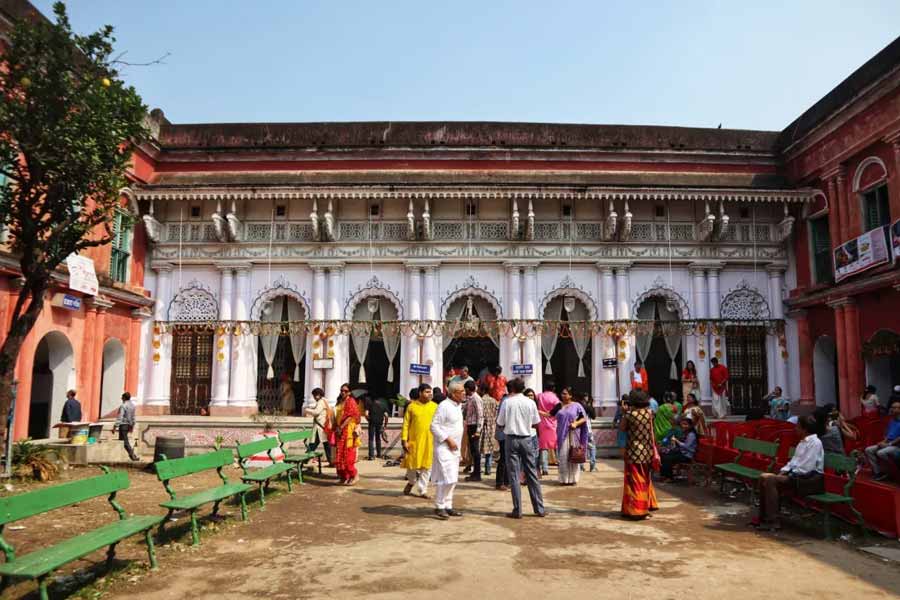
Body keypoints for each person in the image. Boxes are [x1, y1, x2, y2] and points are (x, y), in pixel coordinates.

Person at [756, 416, 824, 530]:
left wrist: (788, 475)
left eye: (798, 426)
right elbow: (793, 463)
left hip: (809, 480)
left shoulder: (815, 443)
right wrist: (783, 472)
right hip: (798, 476)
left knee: (770, 479)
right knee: (763, 477)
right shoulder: (802, 442)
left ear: (805, 429)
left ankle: (773, 521)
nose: (795, 428)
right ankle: (764, 518)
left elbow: (806, 468)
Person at [496, 377, 546, 518]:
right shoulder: (530, 402)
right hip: (527, 438)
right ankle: (539, 509)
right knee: (531, 473)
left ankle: (517, 510)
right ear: (523, 388)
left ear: (512, 389)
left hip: (511, 439)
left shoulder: (507, 402)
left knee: (514, 475)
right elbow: (536, 422)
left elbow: (500, 422)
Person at [619, 390, 659, 519]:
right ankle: (643, 507)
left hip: (633, 452)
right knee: (645, 480)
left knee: (635, 482)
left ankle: (637, 510)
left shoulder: (629, 415)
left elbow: (622, 429)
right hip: (647, 452)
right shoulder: (650, 413)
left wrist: (624, 413)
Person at [430, 380, 465, 520]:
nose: (464, 393)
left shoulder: (458, 406)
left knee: (453, 479)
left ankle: (448, 505)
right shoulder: (444, 406)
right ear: (453, 393)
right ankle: (439, 506)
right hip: (444, 447)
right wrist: (448, 439)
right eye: (461, 392)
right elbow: (434, 426)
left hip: (455, 449)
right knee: (445, 477)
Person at [401, 384, 437, 497]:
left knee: (427, 466)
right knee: (411, 465)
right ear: (420, 393)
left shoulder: (435, 407)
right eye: (427, 392)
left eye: (430, 392)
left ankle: (422, 490)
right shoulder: (411, 407)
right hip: (414, 442)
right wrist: (404, 440)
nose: (429, 394)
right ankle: (411, 482)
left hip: (429, 442)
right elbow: (406, 424)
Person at [555, 387, 589, 486]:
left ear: (570, 395)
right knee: (563, 457)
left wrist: (576, 423)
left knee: (574, 455)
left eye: (565, 393)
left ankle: (573, 479)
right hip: (562, 434)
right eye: (562, 393)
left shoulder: (577, 406)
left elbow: (584, 418)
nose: (563, 395)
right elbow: (550, 414)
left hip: (573, 434)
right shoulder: (559, 405)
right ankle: (564, 479)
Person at [864, 400, 900, 481]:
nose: (892, 409)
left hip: (896, 446)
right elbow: (888, 435)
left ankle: (890, 472)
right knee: (868, 450)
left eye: (894, 408)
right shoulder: (892, 420)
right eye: (892, 407)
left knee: (880, 452)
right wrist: (883, 442)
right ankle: (879, 472)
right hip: (888, 444)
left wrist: (889, 444)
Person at [334, 385, 361, 485]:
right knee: (339, 456)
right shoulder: (340, 401)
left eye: (345, 391)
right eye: (341, 390)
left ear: (349, 392)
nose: (343, 392)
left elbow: (350, 417)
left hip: (348, 431)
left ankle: (354, 475)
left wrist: (341, 427)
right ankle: (345, 476)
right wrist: (336, 427)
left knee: (348, 457)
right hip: (340, 432)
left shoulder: (351, 401)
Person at [659, 418, 698, 482]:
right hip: (681, 452)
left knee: (668, 458)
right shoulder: (684, 432)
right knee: (663, 454)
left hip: (687, 456)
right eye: (682, 424)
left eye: (686, 424)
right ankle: (664, 475)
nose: (683, 426)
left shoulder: (691, 435)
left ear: (690, 425)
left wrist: (676, 441)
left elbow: (686, 446)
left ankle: (669, 477)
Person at [536, 383, 560, 476]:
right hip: (553, 424)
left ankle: (545, 468)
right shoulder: (555, 398)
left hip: (542, 424)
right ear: (553, 388)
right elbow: (558, 408)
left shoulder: (539, 396)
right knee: (556, 446)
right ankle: (560, 465)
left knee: (543, 447)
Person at [304, 387, 333, 465]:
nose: (314, 397)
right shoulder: (325, 401)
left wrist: (307, 410)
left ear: (318, 395)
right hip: (323, 426)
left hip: (319, 427)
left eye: (314, 395)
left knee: (314, 444)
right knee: (325, 445)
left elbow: (316, 412)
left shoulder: (321, 402)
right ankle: (331, 461)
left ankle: (304, 459)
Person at [463, 379, 484, 482]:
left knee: (476, 451)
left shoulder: (476, 398)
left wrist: (478, 430)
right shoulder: (470, 398)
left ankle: (477, 474)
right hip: (470, 425)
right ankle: (475, 472)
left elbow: (480, 415)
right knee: (472, 450)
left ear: (467, 389)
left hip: (475, 426)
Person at [113, 392, 139, 461]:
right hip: (128, 425)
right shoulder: (133, 406)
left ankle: (133, 456)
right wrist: (132, 426)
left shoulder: (123, 406)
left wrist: (115, 426)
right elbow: (133, 417)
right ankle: (124, 456)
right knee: (122, 441)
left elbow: (120, 417)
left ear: (124, 398)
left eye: (122, 397)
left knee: (125, 442)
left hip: (123, 425)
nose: (121, 398)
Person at [480, 382, 498, 476]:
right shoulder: (494, 401)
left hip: (481, 427)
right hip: (492, 427)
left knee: (479, 448)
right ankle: (488, 469)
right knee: (490, 449)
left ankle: (479, 468)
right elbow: (497, 413)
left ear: (482, 390)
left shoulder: (480, 401)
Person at [365, 396, 390, 460]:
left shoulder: (370, 403)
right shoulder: (383, 405)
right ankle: (379, 454)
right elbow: (386, 416)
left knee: (371, 439)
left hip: (372, 423)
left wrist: (369, 420)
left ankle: (371, 456)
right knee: (378, 438)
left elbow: (366, 414)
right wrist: (385, 426)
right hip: (380, 423)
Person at [580, 393, 597, 472]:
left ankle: (581, 466)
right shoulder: (588, 407)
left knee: (581, 448)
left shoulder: (577, 406)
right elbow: (594, 416)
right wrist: (592, 406)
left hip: (579, 430)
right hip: (588, 430)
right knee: (592, 447)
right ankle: (592, 466)